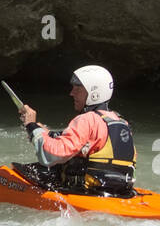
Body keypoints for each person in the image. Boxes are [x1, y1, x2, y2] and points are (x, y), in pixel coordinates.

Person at [17, 65, 136, 197]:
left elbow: (50, 156)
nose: (71, 93)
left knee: (22, 171)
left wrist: (31, 126)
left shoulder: (86, 119)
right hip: (120, 192)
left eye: (78, 88)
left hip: (86, 194)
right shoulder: (120, 122)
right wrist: (45, 132)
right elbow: (84, 142)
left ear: (94, 93)